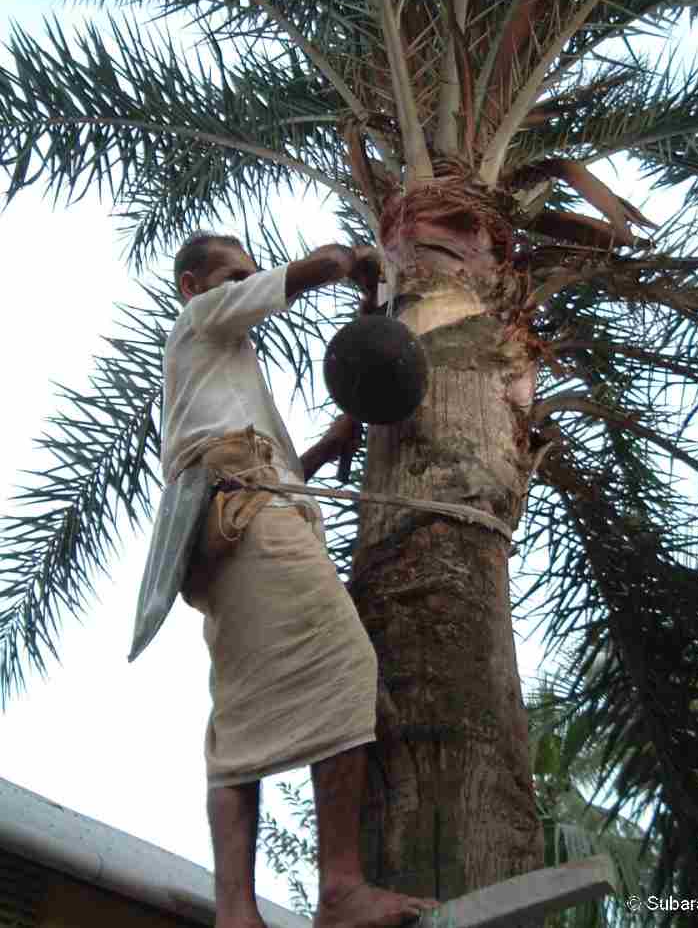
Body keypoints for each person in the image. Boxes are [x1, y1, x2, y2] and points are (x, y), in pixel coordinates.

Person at [145, 231, 438, 928]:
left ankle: (236, 913)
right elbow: (282, 286)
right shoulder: (196, 322)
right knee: (345, 661)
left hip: (224, 536)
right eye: (229, 275)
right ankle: (339, 886)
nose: (245, 284)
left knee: (236, 721)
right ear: (192, 286)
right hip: (251, 521)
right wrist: (335, 263)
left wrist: (324, 447)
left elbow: (263, 470)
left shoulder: (220, 374)